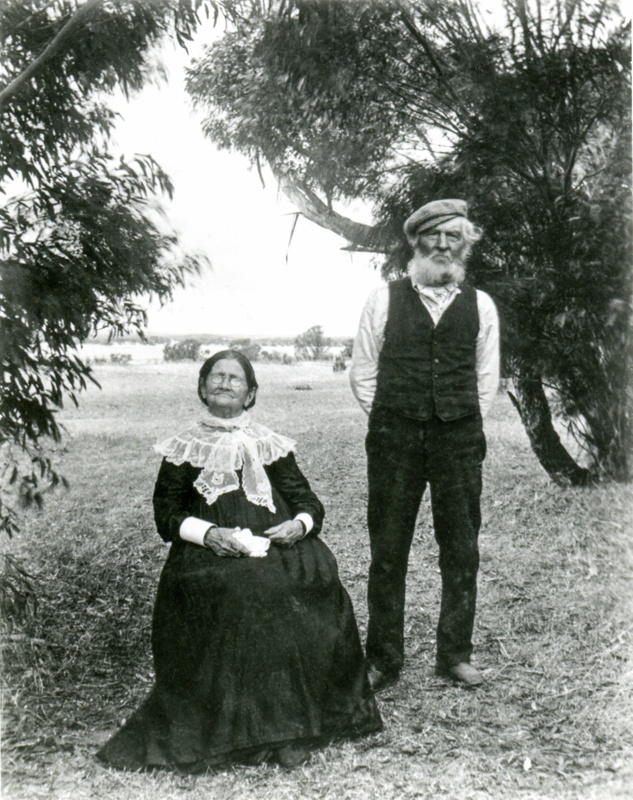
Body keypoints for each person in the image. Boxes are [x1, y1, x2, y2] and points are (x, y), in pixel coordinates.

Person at [97, 350, 381, 772]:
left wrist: (299, 526)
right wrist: (209, 534)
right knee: (245, 591)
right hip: (207, 554)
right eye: (216, 377)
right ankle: (265, 733)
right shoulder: (183, 447)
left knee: (307, 577)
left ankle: (295, 724)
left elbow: (309, 502)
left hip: (276, 543)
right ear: (201, 388)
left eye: (235, 379)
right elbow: (166, 513)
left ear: (250, 394)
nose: (225, 384)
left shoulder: (270, 444)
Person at [350, 199, 499, 691]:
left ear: (465, 245)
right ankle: (383, 659)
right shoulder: (384, 299)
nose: (441, 245)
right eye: (432, 237)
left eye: (452, 237)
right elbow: (364, 372)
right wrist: (395, 418)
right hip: (395, 439)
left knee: (461, 549)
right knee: (387, 550)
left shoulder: (480, 305)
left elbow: (485, 380)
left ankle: (455, 654)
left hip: (457, 440)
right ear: (415, 244)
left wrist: (456, 422)